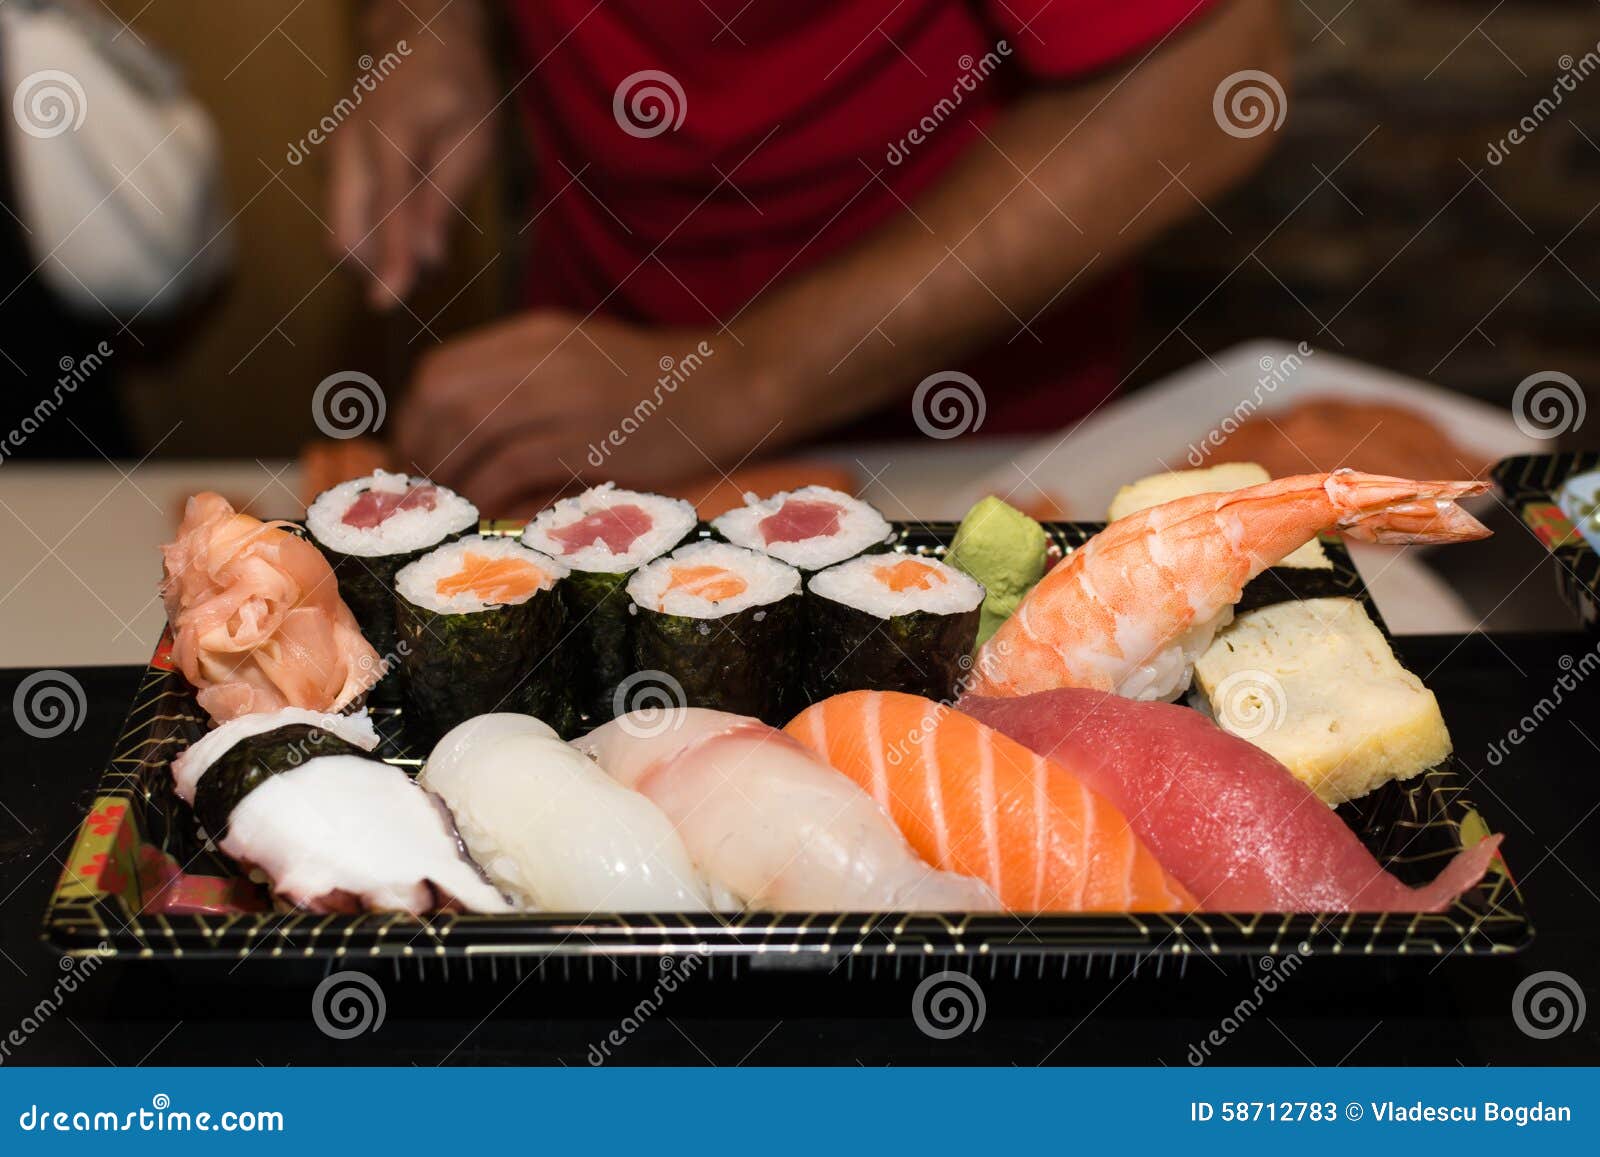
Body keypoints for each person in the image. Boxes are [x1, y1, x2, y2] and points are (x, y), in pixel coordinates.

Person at [330, 0, 1287, 513]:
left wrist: (737, 380)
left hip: (956, 465)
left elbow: (1210, 75)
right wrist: (422, 25)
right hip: (571, 418)